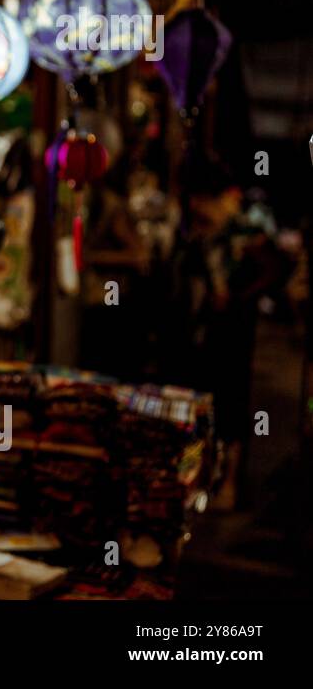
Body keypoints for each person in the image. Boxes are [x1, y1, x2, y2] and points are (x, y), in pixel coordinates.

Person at [162, 155, 292, 510]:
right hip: (200, 325)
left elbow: (277, 267)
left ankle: (229, 484)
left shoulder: (244, 228)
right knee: (200, 402)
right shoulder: (203, 229)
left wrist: (237, 296)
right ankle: (197, 480)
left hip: (232, 327)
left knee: (230, 404)